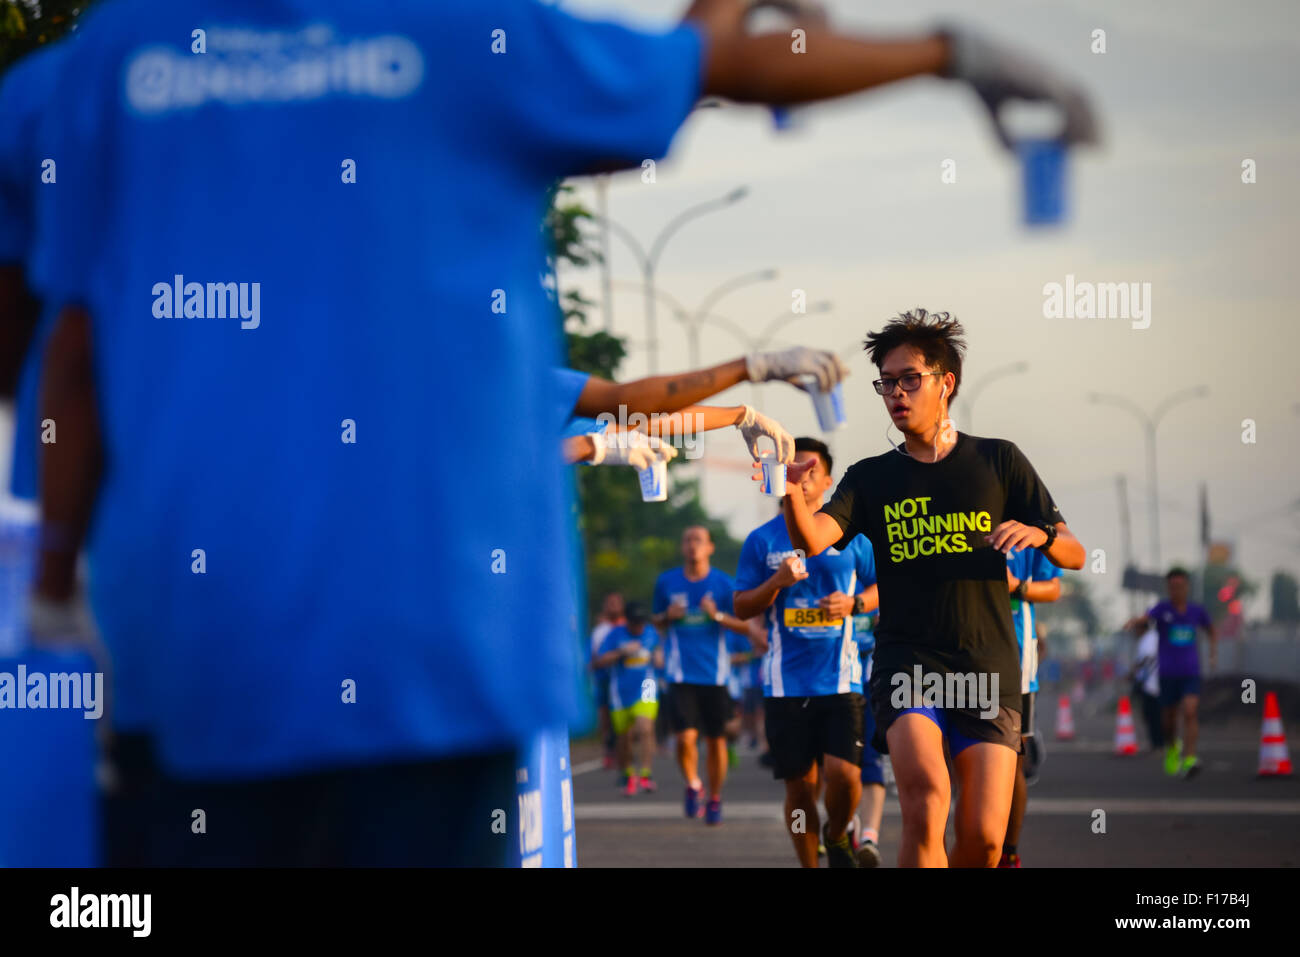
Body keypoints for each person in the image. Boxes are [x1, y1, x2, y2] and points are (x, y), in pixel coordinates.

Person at [23, 0, 1098, 865]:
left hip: (191, 656)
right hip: (435, 670)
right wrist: (946, 52)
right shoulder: (457, 34)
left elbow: (64, 341)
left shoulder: (116, 56)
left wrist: (56, 587)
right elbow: (706, 62)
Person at [779, 311, 1085, 867]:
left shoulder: (998, 460)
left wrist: (1039, 533)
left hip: (988, 664)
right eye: (886, 383)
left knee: (984, 839)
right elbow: (816, 539)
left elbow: (1075, 552)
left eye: (908, 379)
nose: (896, 393)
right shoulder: (871, 476)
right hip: (907, 662)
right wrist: (791, 494)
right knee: (926, 801)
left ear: (945, 382)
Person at [735, 437, 879, 868]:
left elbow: (883, 587)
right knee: (800, 791)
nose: (799, 477)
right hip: (785, 684)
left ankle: (837, 836)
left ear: (828, 480)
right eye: (791, 470)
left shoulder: (853, 537)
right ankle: (809, 862)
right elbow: (742, 606)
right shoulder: (762, 541)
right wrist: (776, 583)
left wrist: (854, 604)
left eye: (810, 470)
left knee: (845, 777)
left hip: (841, 677)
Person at [653, 526, 753, 824]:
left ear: (709, 547)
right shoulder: (666, 582)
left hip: (716, 677)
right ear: (682, 547)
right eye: (687, 540)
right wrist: (666, 617)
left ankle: (715, 796)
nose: (692, 545)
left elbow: (747, 626)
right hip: (680, 675)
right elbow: (655, 623)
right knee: (684, 740)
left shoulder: (724, 584)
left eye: (698, 540)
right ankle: (694, 785)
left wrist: (717, 616)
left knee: (715, 742)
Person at [998, 546, 1063, 868]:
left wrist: (1017, 586)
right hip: (965, 665)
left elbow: (1053, 588)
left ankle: (1009, 851)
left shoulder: (1024, 532)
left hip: (1016, 670)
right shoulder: (959, 519)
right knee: (963, 762)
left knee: (1014, 761)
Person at [1124, 568, 1217, 778]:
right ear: (1168, 588)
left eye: (1181, 586)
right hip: (1167, 674)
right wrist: (1133, 621)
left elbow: (1211, 629)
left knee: (1191, 711)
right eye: (1173, 587)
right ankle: (1172, 748)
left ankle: (1190, 757)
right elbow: (1145, 618)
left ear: (1187, 587)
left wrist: (1212, 653)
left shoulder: (1196, 611)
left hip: (1190, 672)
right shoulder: (1162, 609)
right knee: (1169, 719)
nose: (1177, 591)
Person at [592, 602, 663, 795]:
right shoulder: (615, 634)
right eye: (636, 623)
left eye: (642, 623)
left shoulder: (651, 632)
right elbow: (598, 661)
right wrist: (621, 652)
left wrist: (658, 657)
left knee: (645, 729)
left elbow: (660, 655)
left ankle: (646, 774)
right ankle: (628, 773)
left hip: (646, 686)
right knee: (625, 737)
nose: (640, 627)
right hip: (620, 692)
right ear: (628, 622)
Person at [589, 593, 626, 770]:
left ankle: (624, 755)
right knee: (606, 719)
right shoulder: (599, 631)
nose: (612, 606)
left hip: (627, 680)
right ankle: (609, 751)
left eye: (615, 603)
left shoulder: (630, 626)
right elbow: (592, 658)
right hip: (603, 679)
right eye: (609, 603)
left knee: (623, 720)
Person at [1130, 624, 1163, 751]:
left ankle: (1158, 743)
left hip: (1152, 683)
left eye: (1135, 629)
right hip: (1150, 683)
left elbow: (1147, 658)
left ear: (1141, 628)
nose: (1134, 632)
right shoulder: (1148, 638)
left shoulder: (1149, 639)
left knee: (1153, 715)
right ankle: (1156, 742)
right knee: (1151, 714)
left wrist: (1134, 670)